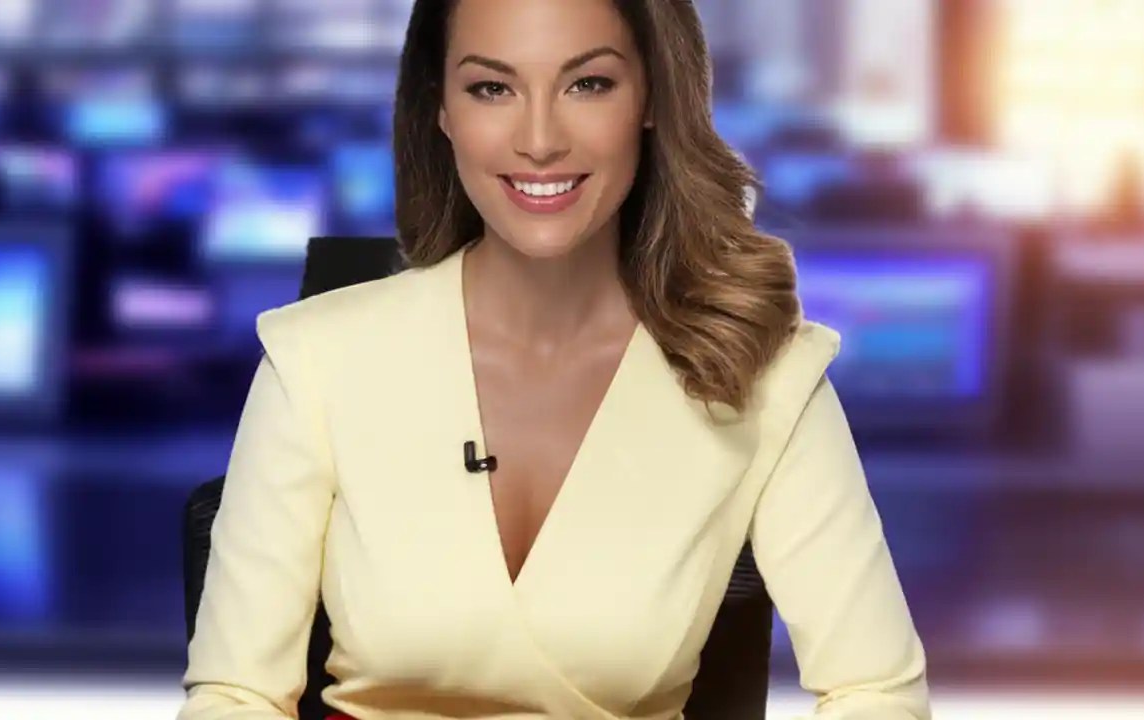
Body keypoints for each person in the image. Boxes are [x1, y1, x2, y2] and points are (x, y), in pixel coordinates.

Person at [179, 0, 931, 718]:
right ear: (441, 109)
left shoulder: (763, 370)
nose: (539, 140)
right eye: (492, 88)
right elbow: (234, 701)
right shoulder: (315, 360)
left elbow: (876, 695)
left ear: (651, 98)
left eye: (588, 84)